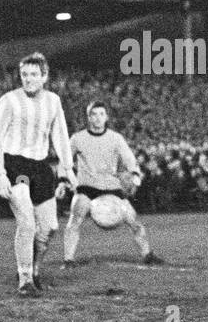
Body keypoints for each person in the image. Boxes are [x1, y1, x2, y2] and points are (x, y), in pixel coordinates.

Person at [0, 53, 75, 296]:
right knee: (26, 221)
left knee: (49, 227)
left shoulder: (53, 101)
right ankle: (24, 280)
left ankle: (35, 270)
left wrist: (67, 171)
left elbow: (60, 137)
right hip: (15, 166)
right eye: (24, 75)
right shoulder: (9, 100)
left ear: (45, 76)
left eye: (34, 74)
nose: (28, 79)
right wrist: (0, 173)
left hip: (40, 167)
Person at [61, 101, 162, 267]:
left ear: (106, 117)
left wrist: (135, 173)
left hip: (111, 187)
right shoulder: (77, 138)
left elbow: (129, 157)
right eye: (94, 114)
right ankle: (68, 259)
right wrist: (64, 179)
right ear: (88, 117)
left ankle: (147, 254)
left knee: (133, 221)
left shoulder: (115, 138)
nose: (98, 118)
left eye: (101, 114)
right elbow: (65, 161)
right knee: (75, 218)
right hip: (86, 187)